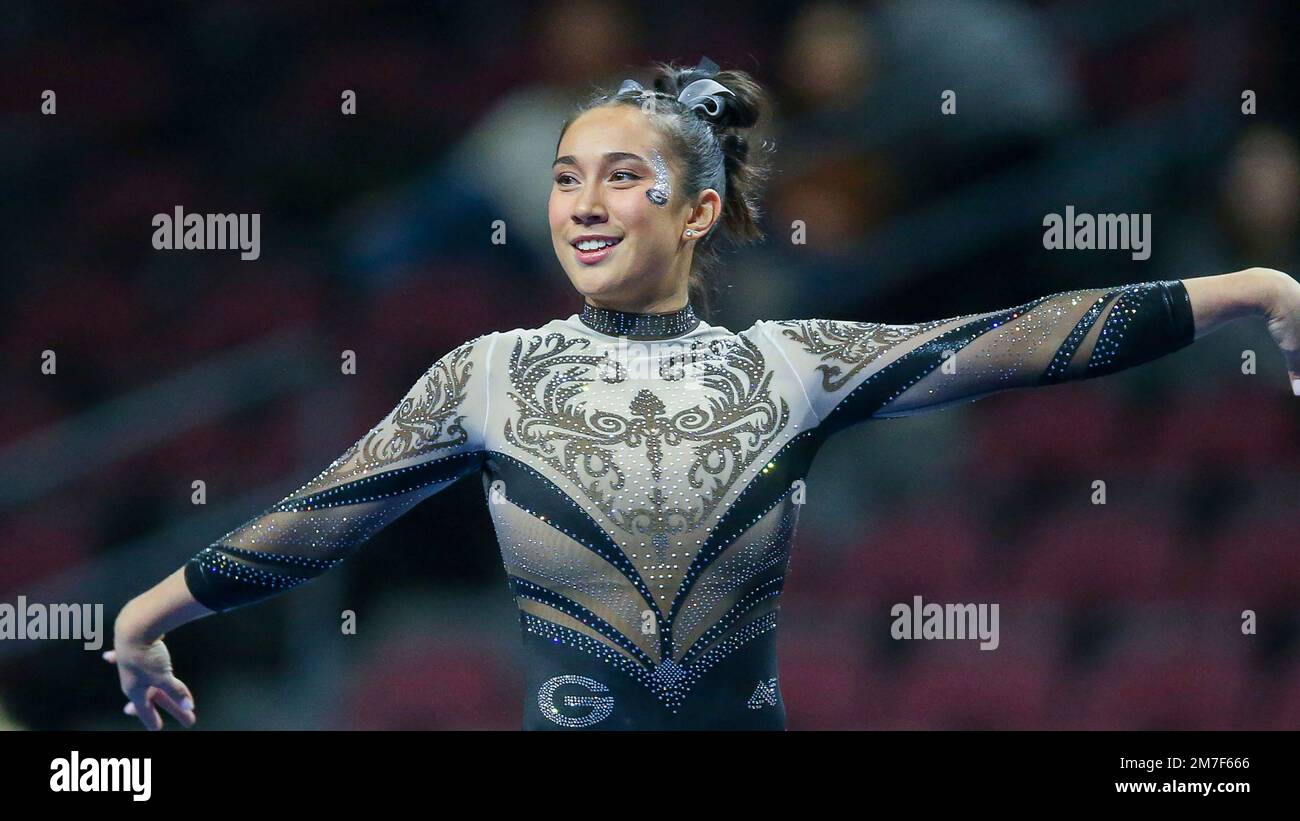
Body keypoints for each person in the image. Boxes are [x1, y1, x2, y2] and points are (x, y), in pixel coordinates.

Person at [107, 57, 1300, 731]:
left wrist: (1240, 286)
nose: (579, 201)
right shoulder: (489, 375)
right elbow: (322, 514)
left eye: (620, 177)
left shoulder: (786, 366)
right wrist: (150, 611)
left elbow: (1024, 337)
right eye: (567, 175)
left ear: (696, 211)